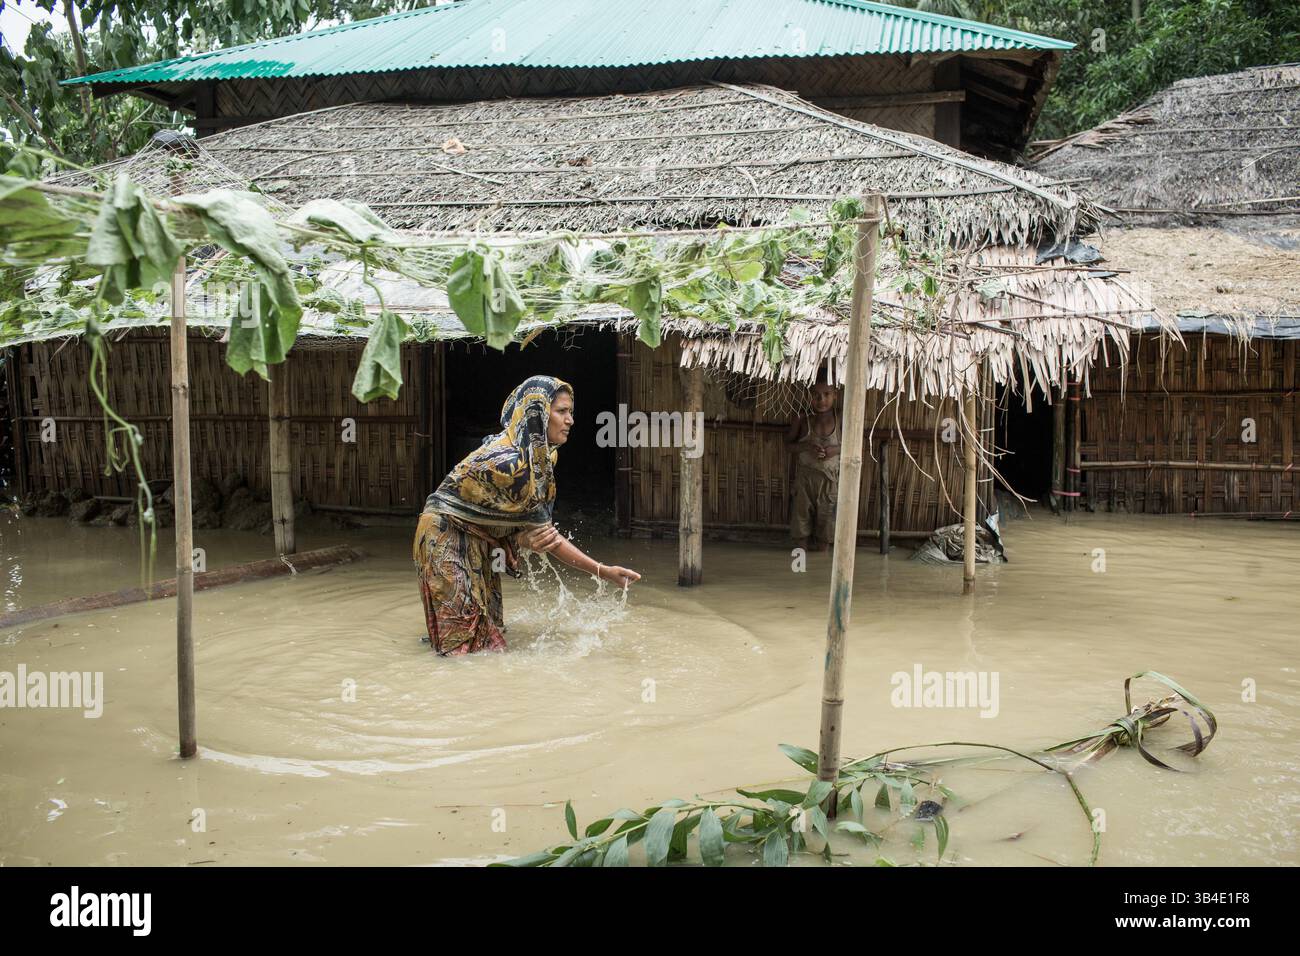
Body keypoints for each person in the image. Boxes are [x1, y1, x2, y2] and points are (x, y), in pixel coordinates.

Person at [413, 375, 641, 656]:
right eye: (561, 411)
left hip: (476, 534)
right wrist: (602, 571)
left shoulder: (541, 456)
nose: (570, 420)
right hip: (443, 535)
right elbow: (548, 538)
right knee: (463, 643)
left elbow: (517, 524)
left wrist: (521, 537)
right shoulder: (513, 463)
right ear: (538, 413)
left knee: (488, 627)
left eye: (571, 412)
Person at [785, 375, 841, 551]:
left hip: (830, 483)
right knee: (800, 529)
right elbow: (788, 446)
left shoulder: (841, 419)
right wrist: (807, 446)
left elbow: (855, 447)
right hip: (805, 481)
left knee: (826, 529)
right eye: (815, 394)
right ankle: (799, 572)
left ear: (835, 395)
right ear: (808, 395)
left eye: (826, 394)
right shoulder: (802, 419)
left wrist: (834, 450)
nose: (821, 400)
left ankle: (819, 571)